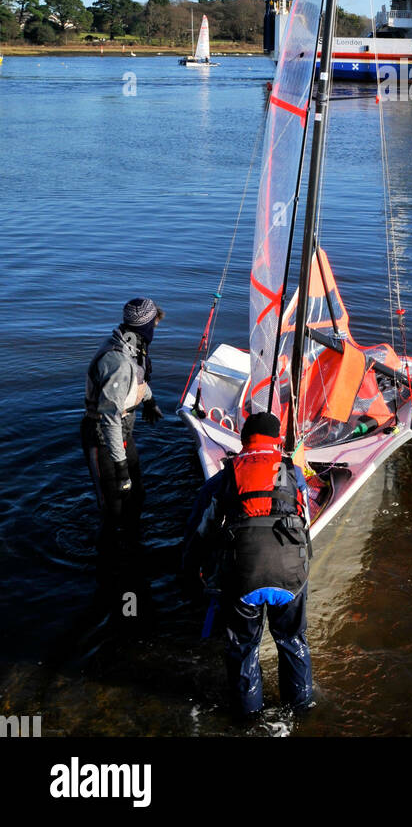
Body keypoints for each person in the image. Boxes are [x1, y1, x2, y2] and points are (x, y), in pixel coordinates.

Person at [183, 412, 313, 718]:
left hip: (243, 575)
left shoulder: (224, 477)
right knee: (292, 640)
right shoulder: (293, 473)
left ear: (244, 441)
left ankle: (248, 717)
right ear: (277, 441)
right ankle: (302, 710)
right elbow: (303, 527)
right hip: (292, 575)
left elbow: (197, 533)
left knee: (243, 646)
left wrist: (192, 575)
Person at [81, 297, 164, 545]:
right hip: (102, 438)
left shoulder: (133, 346)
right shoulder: (117, 361)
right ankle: (108, 560)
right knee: (113, 507)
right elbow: (109, 417)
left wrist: (149, 400)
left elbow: (135, 381)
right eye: (154, 325)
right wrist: (120, 467)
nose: (155, 331)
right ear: (145, 326)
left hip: (123, 432)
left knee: (136, 494)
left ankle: (133, 544)